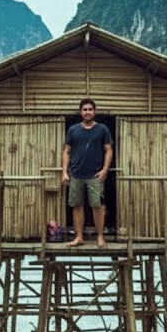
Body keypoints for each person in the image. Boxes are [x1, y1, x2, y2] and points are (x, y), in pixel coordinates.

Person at [61, 98, 113, 248]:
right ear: (80, 112)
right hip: (76, 174)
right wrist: (64, 172)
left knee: (97, 205)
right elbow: (67, 151)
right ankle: (79, 237)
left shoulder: (102, 129)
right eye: (85, 110)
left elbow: (108, 150)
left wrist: (105, 170)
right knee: (76, 205)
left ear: (94, 112)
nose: (87, 112)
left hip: (95, 175)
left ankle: (100, 237)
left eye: (90, 109)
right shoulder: (73, 130)